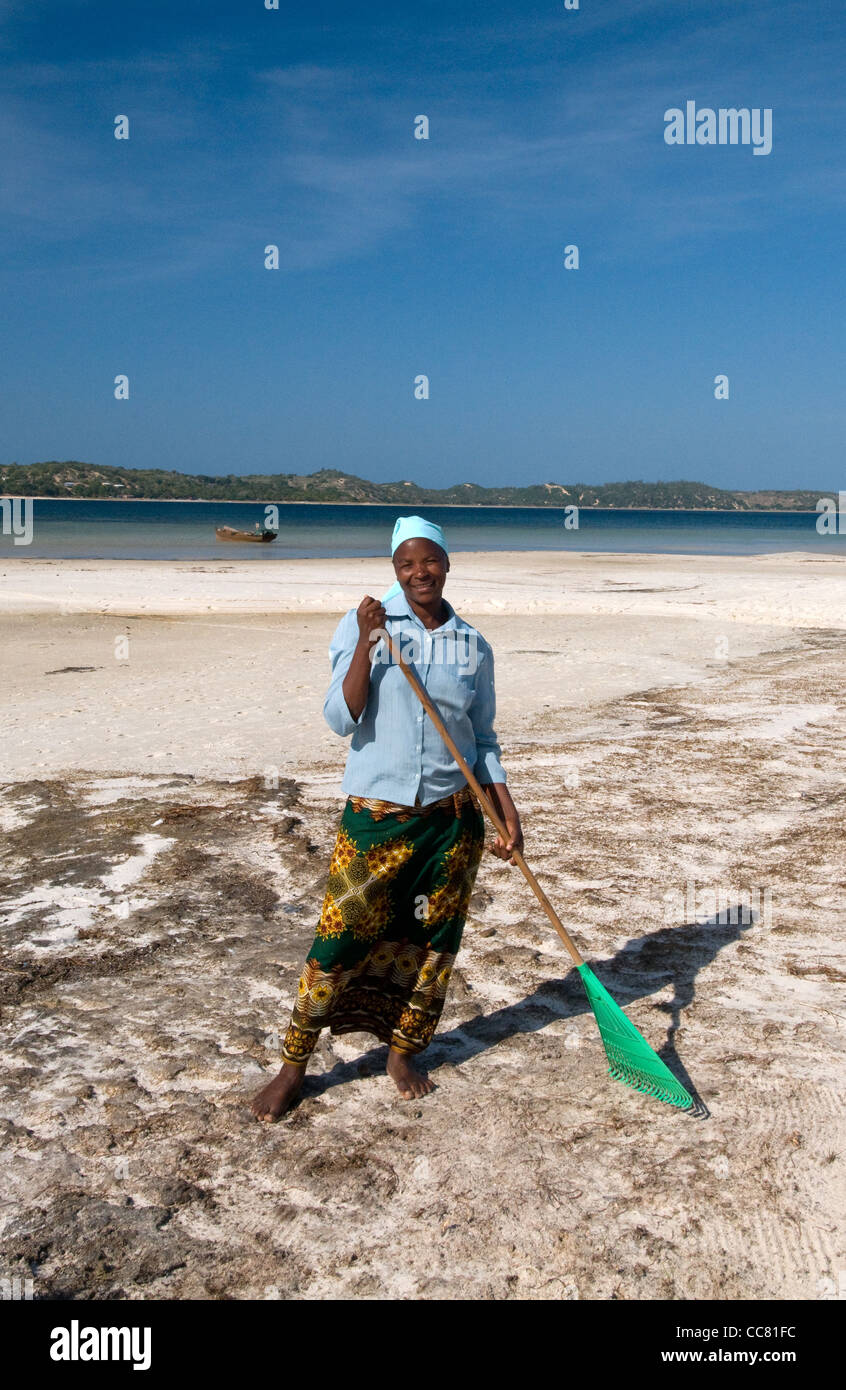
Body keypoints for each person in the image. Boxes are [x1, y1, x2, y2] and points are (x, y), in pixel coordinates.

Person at [250, 515, 523, 1120]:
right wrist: (368, 644)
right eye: (406, 564)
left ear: (447, 565)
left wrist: (506, 809)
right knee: (339, 938)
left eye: (429, 561)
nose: (418, 573)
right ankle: (294, 1065)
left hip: (452, 822)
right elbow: (340, 718)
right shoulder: (367, 624)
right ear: (394, 570)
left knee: (432, 942)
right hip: (376, 816)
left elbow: (482, 739)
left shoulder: (472, 645)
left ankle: (404, 1052)